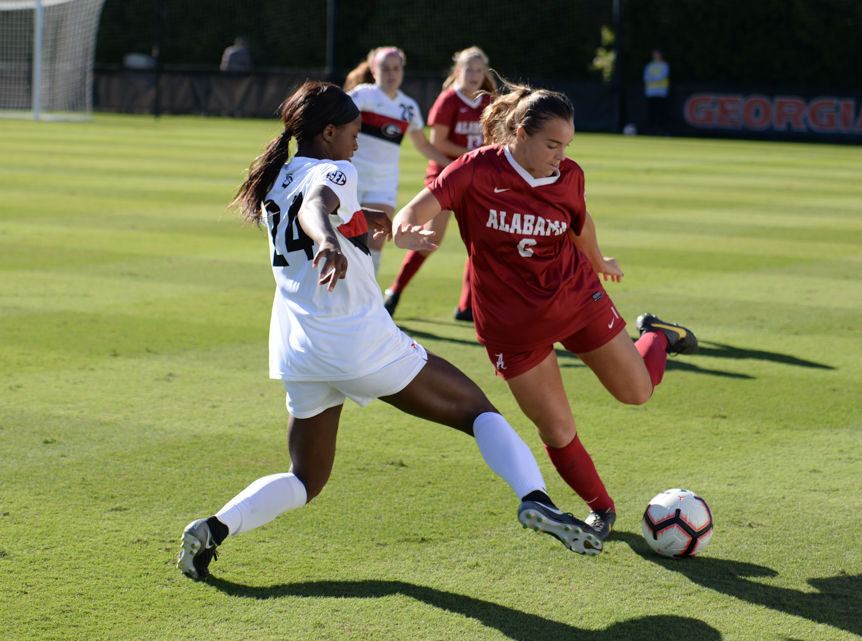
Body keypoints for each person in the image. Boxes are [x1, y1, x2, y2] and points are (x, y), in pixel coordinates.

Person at [176, 81, 600, 581]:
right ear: (328, 132)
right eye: (355, 132)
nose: (360, 142)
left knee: (305, 478)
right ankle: (535, 498)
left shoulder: (277, 177)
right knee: (477, 412)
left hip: (299, 346)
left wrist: (369, 220)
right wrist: (330, 240)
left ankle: (214, 528)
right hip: (356, 339)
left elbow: (312, 206)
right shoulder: (335, 168)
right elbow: (316, 207)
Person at [392, 80, 699, 544]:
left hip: (576, 300)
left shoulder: (569, 175)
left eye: (567, 145)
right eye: (552, 144)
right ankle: (602, 510)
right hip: (510, 327)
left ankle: (656, 335)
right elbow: (420, 205)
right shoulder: (475, 169)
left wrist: (598, 261)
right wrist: (402, 229)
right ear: (519, 133)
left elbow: (580, 221)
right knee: (555, 428)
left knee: (637, 392)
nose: (561, 154)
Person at [383, 46, 496, 321]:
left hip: (476, 178)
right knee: (430, 238)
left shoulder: (488, 101)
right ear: (458, 71)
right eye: (469, 69)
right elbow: (439, 143)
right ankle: (394, 292)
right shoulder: (448, 100)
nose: (473, 74)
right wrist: (474, 157)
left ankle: (466, 306)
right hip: (446, 176)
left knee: (481, 241)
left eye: (479, 70)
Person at [343, 46, 451, 276]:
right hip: (353, 176)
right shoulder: (363, 95)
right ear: (374, 70)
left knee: (376, 242)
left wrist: (450, 165)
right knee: (347, 237)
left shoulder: (408, 107)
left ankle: (367, 299)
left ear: (402, 71)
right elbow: (337, 119)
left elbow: (422, 144)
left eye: (396, 69)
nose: (391, 74)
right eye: (385, 68)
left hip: (384, 182)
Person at [643, 49, 669, 135]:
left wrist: (653, 78)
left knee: (661, 112)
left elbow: (661, 77)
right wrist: (655, 78)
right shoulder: (649, 66)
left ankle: (661, 130)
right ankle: (650, 130)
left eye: (657, 54)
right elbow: (646, 78)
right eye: (655, 54)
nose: (656, 56)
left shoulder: (664, 65)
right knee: (651, 113)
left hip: (661, 93)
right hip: (650, 93)